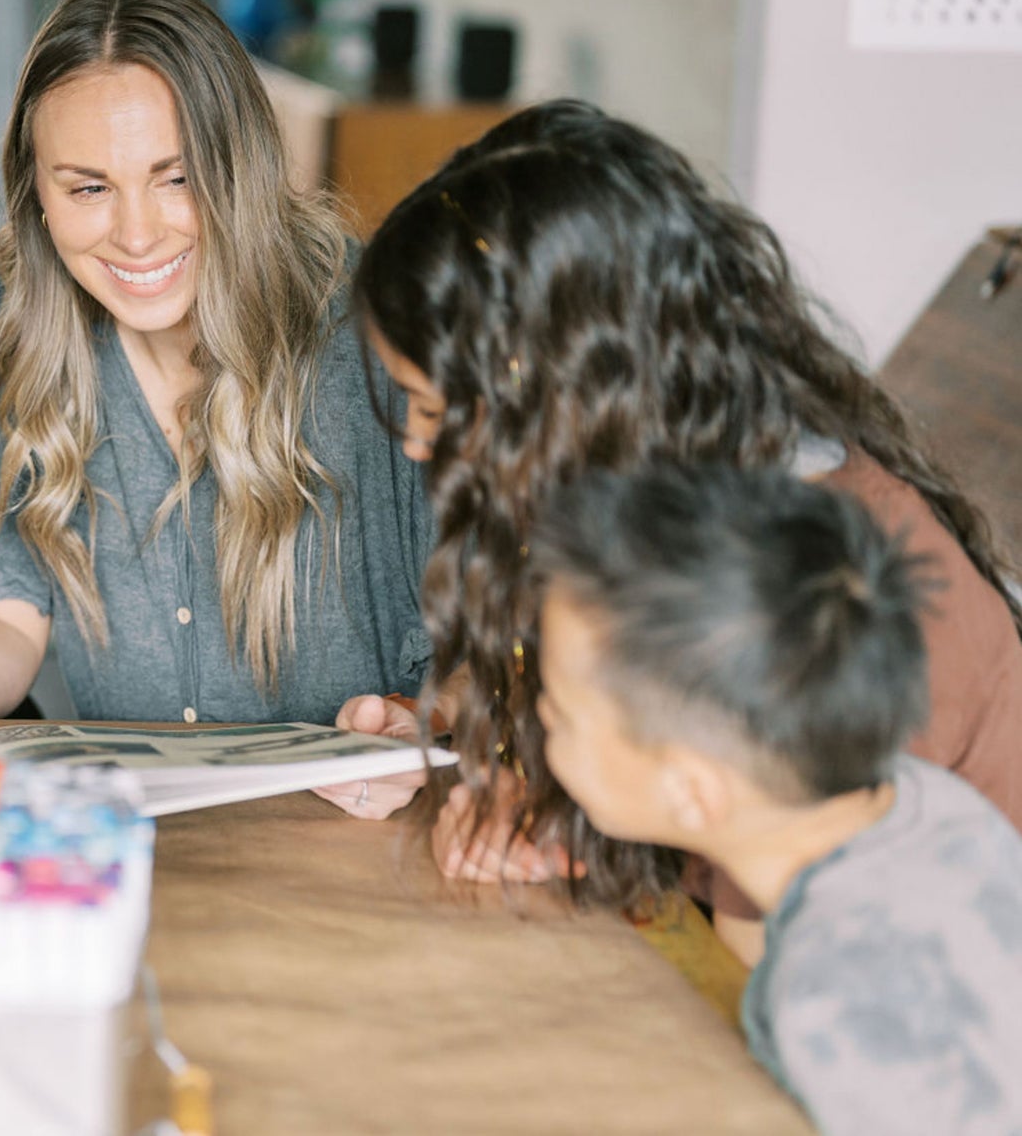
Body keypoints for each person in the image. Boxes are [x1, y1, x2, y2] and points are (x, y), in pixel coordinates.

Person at [351, 100, 1022, 955]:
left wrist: (581, 829)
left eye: (435, 407)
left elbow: (800, 952)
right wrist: (466, 729)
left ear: (559, 395)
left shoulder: (827, 591)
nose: (413, 441)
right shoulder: (668, 503)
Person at [0, 0, 436, 820]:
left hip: (368, 838)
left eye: (176, 178)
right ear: (38, 196)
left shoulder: (381, 329)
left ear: (243, 166)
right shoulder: (16, 323)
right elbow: (1, 616)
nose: (135, 234)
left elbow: (501, 626)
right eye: (88, 187)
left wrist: (425, 724)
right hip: (130, 848)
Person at [529, 465, 1022, 1133]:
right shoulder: (923, 799)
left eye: (559, 714)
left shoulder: (834, 1008)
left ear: (691, 793)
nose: (539, 715)